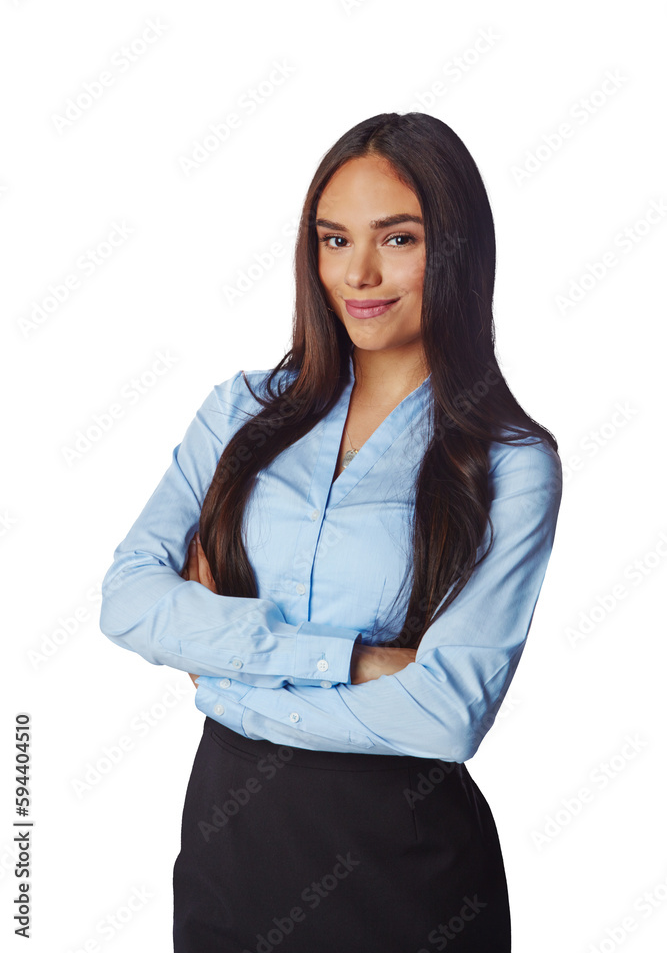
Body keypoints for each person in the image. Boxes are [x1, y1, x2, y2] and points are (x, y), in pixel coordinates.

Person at [99, 111, 563, 952]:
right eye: (332, 238)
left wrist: (223, 674)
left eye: (397, 239)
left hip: (405, 873)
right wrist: (350, 661)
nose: (357, 273)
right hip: (227, 844)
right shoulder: (241, 411)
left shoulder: (510, 461)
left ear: (456, 251)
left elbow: (445, 714)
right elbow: (128, 601)